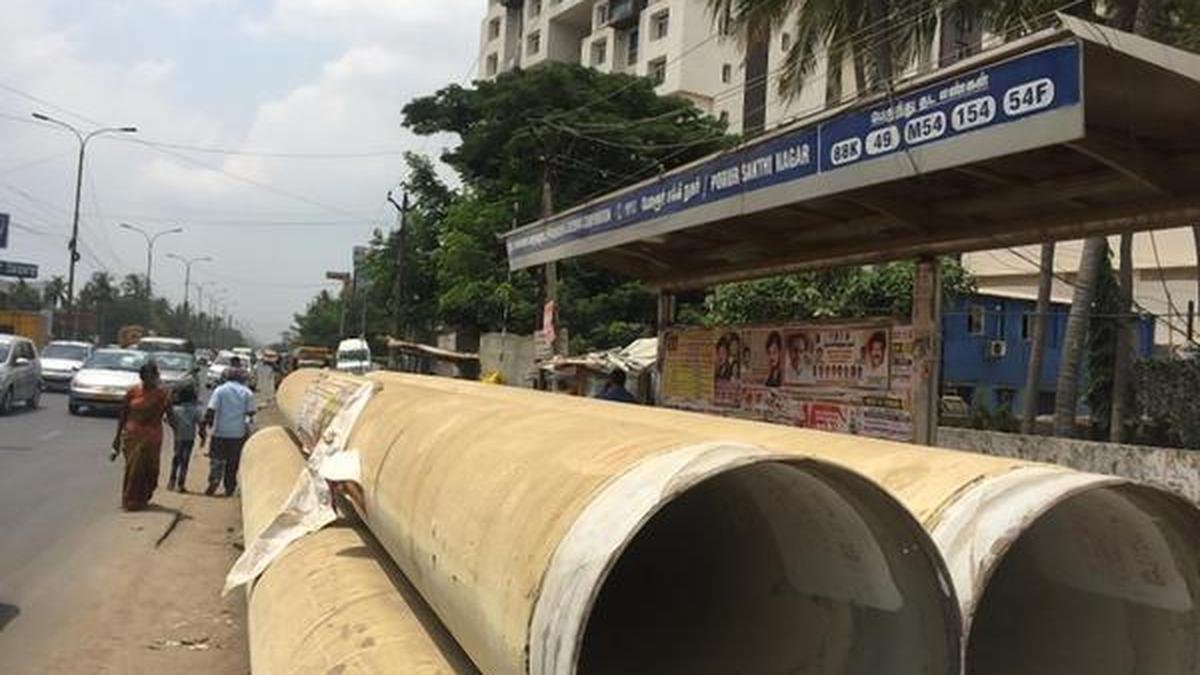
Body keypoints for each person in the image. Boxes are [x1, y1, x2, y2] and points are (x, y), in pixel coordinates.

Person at [112, 360, 175, 511]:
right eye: (144, 377)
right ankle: (131, 500)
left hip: (152, 436)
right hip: (132, 435)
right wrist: (116, 438)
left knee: (151, 470)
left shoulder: (163, 395)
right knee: (134, 469)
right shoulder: (132, 392)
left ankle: (144, 496)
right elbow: (123, 415)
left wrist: (179, 433)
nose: (148, 380)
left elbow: (171, 416)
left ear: (155, 377)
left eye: (151, 377)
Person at [200, 367, 256, 497]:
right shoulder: (247, 392)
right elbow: (251, 412)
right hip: (238, 433)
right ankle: (229, 486)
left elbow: (211, 410)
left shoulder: (220, 390)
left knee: (216, 459)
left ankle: (214, 480)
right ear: (242, 379)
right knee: (233, 462)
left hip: (219, 432)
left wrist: (206, 425)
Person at [167, 386, 202, 493]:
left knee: (176, 459)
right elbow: (200, 424)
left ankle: (171, 481)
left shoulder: (175, 409)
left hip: (178, 437)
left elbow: (168, 419)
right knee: (185, 461)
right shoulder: (196, 410)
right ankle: (181, 484)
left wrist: (174, 427)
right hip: (189, 438)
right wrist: (203, 436)